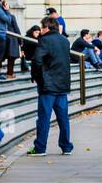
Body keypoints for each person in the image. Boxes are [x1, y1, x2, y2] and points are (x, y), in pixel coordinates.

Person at [27, 16, 75, 156]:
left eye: (42, 27)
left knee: (44, 118)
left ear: (47, 27)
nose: (41, 30)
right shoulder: (65, 40)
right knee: (63, 118)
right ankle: (66, 146)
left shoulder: (45, 40)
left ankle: (40, 148)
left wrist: (36, 77)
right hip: (62, 85)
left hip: (48, 86)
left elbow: (36, 60)